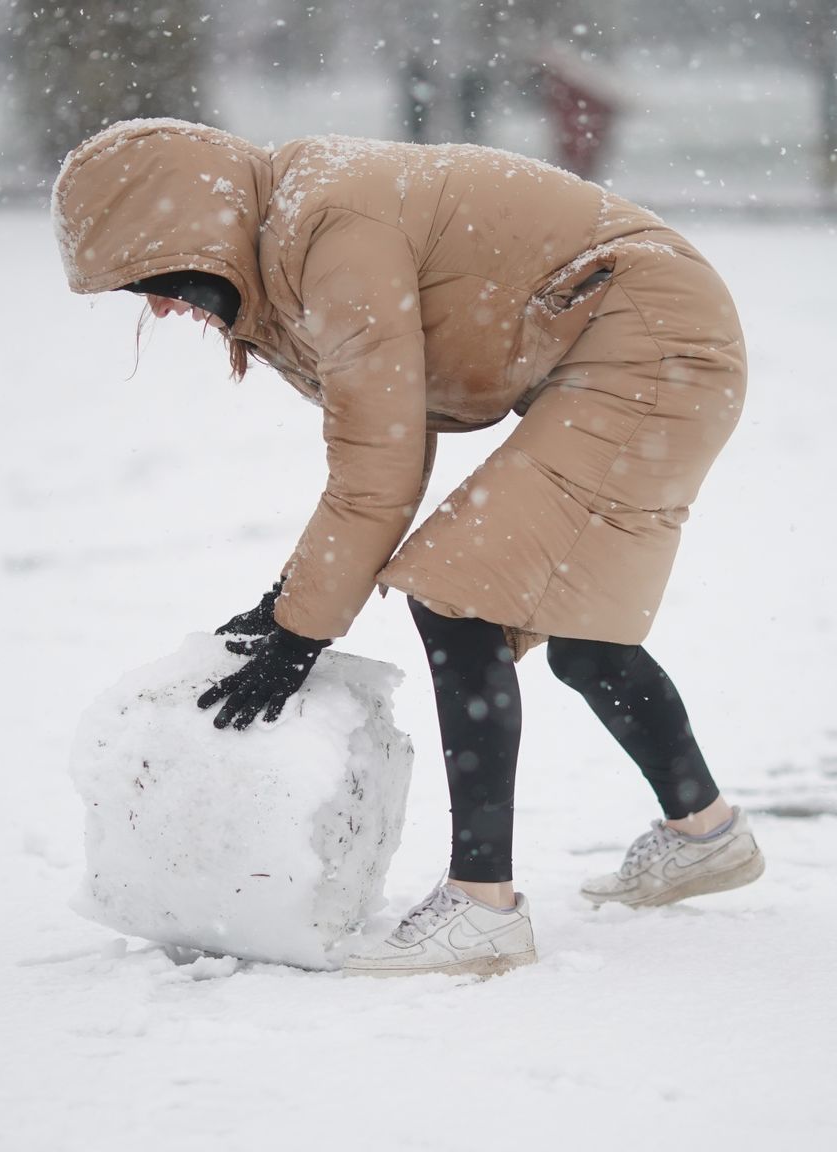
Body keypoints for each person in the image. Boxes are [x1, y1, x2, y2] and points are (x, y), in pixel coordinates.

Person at [50, 120, 765, 978]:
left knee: (456, 590)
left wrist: (300, 623)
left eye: (154, 279)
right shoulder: (288, 233)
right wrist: (290, 605)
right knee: (581, 637)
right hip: (641, 336)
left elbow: (377, 464)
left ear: (187, 229)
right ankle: (705, 832)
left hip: (650, 341)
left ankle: (481, 905)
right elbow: (386, 436)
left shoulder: (328, 226)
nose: (163, 306)